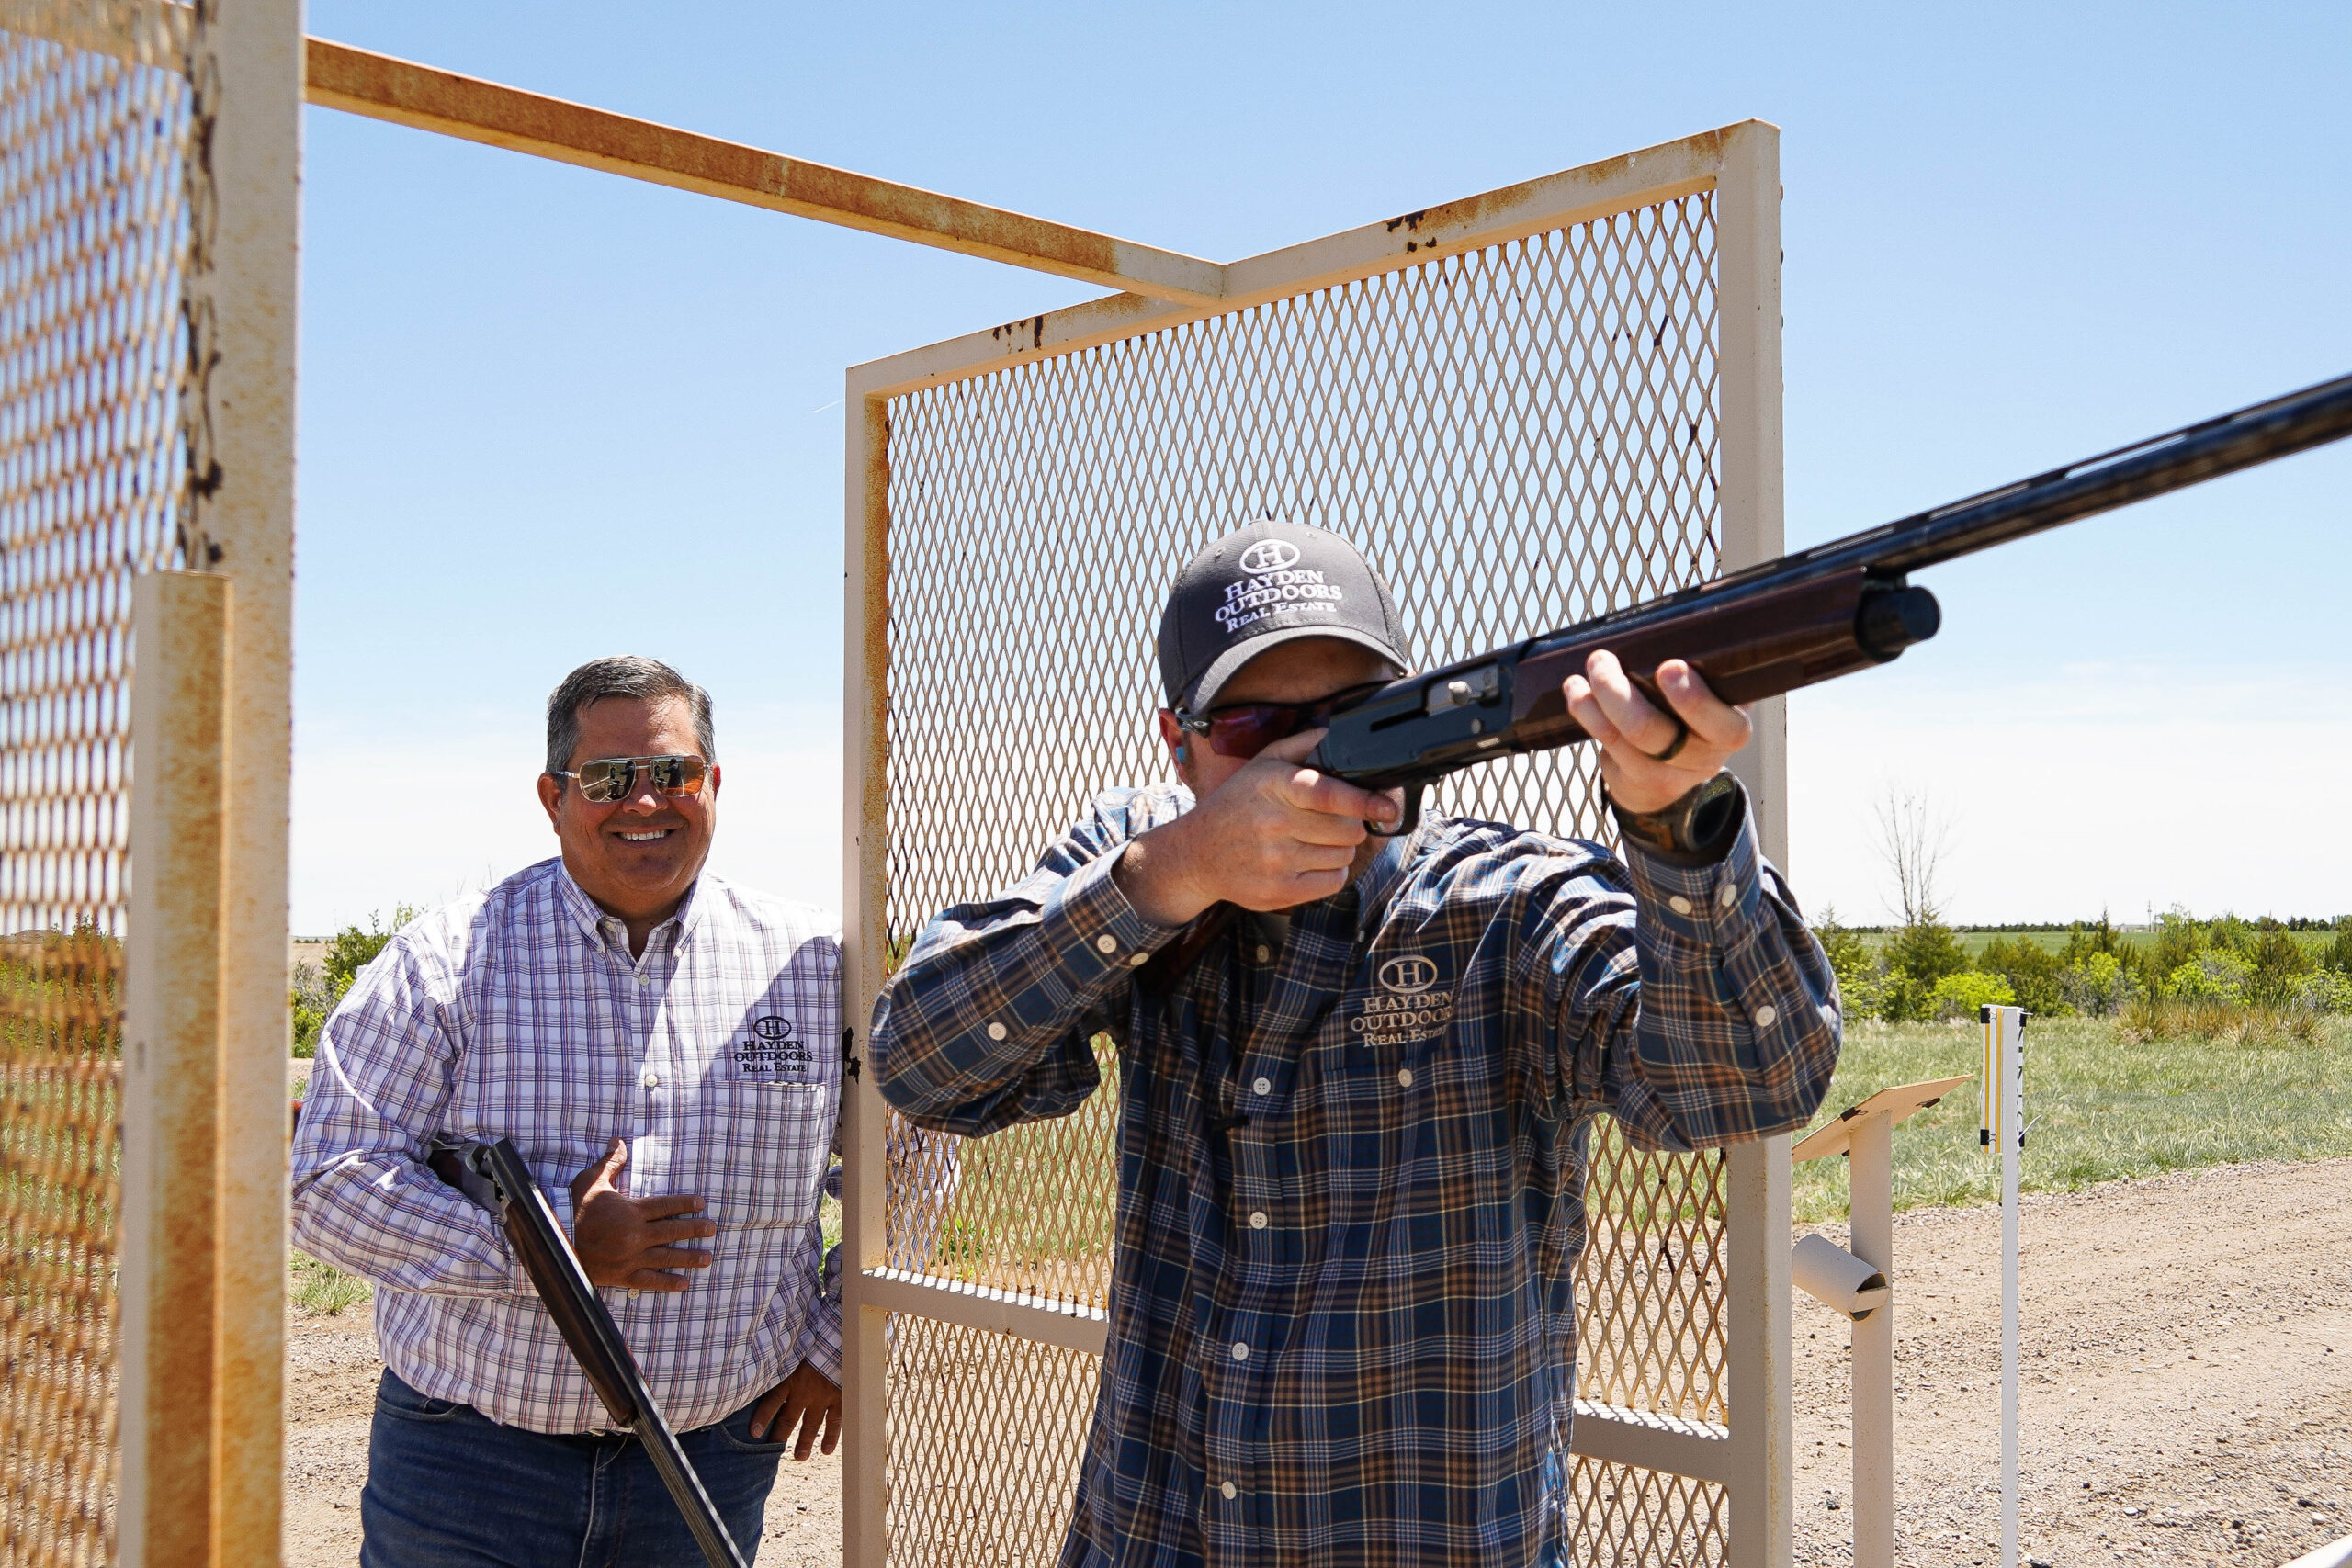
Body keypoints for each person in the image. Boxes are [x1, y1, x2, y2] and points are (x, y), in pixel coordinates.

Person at [870, 522, 1842, 1568]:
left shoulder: (1504, 904)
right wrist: (1165, 878)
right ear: (1180, 740)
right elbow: (925, 1063)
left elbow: (1753, 1084)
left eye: (1353, 718)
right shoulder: (1145, 857)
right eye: (1255, 727)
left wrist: (1676, 818)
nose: (1312, 761)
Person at [292, 656, 842, 1568]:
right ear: (553, 797)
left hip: (709, 1459)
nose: (644, 801)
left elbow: (910, 1157)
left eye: (672, 772)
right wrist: (550, 1250)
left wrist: (833, 1342)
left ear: (713, 784)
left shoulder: (815, 967)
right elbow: (327, 1183)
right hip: (467, 1462)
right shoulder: (447, 963)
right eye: (607, 779)